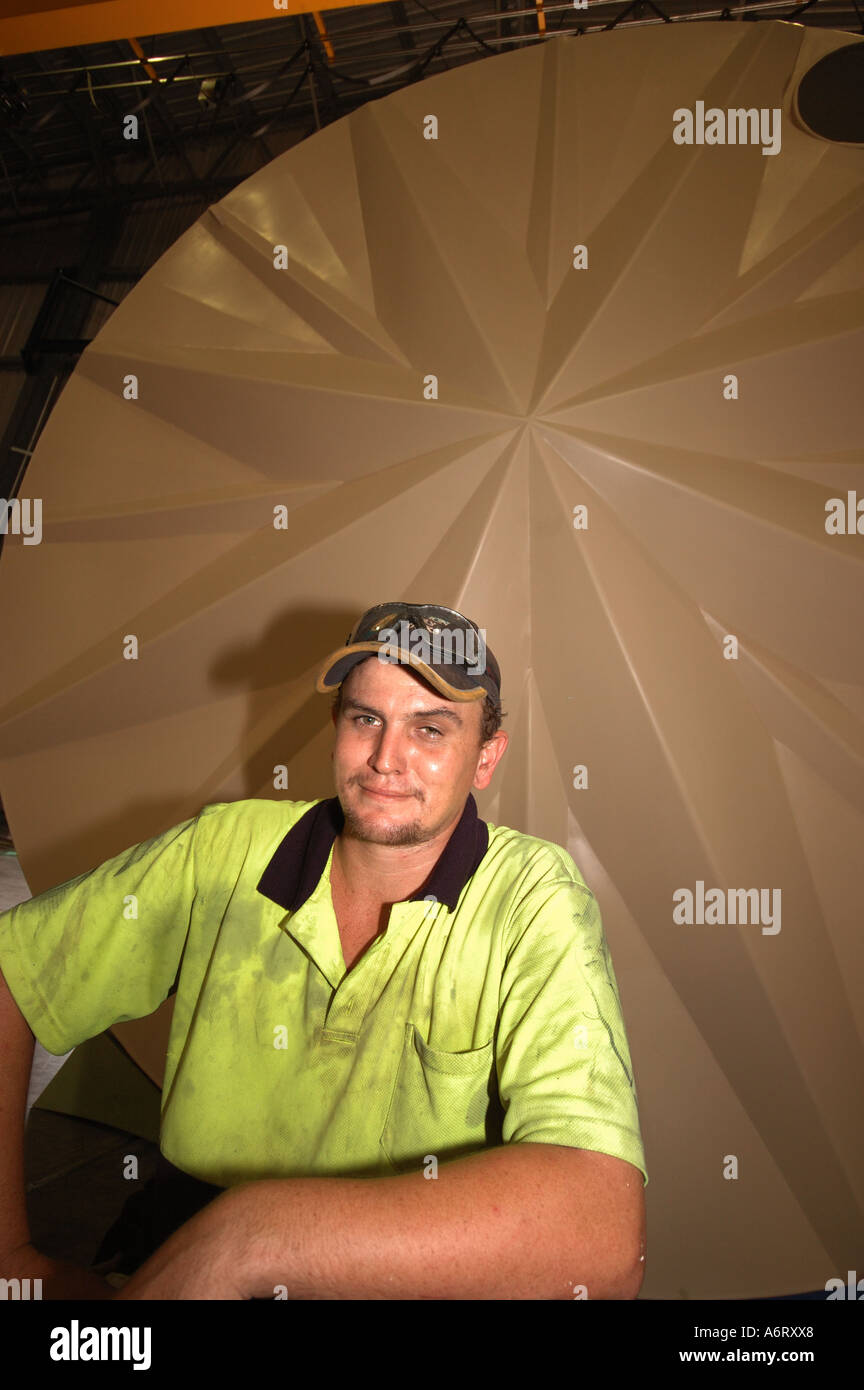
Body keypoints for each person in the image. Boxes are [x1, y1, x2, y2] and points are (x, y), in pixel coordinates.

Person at [0, 601, 647, 1300]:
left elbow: (603, 1233)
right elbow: (16, 971)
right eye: (366, 718)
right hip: (174, 1253)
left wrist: (250, 1237)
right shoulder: (223, 850)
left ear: (486, 757)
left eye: (429, 729)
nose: (385, 759)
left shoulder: (533, 898)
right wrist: (11, 1256)